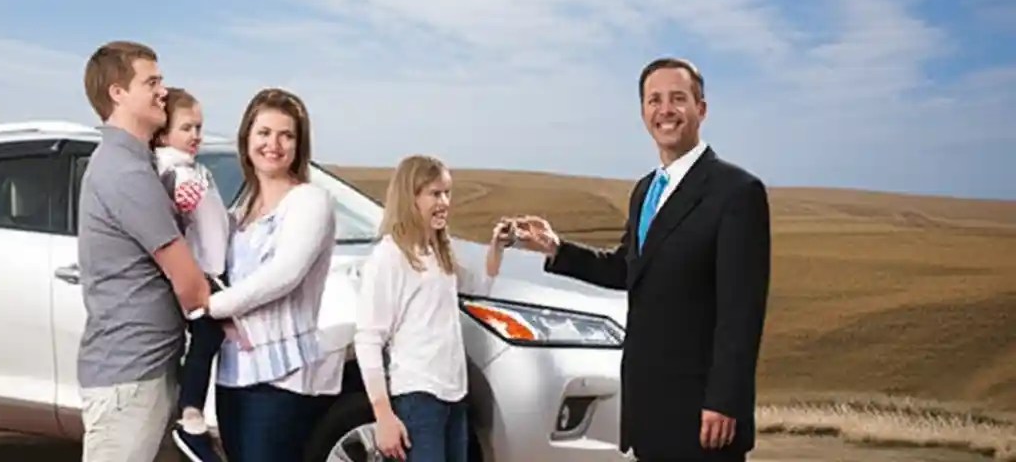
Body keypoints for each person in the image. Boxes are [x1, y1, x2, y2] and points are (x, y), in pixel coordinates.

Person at [511, 57, 771, 462]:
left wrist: (724, 401)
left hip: (703, 412)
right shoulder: (645, 190)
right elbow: (629, 270)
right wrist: (556, 248)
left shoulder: (736, 192)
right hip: (648, 407)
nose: (665, 110)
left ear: (701, 109)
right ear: (643, 112)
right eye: (654, 100)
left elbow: (742, 312)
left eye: (677, 99)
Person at [76, 41, 213, 462]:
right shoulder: (125, 172)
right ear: (117, 93)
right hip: (130, 378)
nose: (162, 91)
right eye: (151, 81)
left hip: (145, 370)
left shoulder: (140, 164)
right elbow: (188, 282)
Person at [198, 87, 344, 462]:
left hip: (282, 376)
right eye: (264, 133)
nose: (273, 144)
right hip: (233, 372)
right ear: (247, 137)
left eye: (286, 135)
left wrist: (212, 304)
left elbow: (285, 274)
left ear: (299, 144)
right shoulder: (242, 208)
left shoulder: (310, 201)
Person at [353, 155, 509, 462]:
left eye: (447, 193)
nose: (445, 202)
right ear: (410, 198)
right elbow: (368, 338)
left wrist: (496, 248)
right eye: (435, 194)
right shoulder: (389, 257)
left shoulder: (438, 252)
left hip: (454, 396)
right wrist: (384, 416)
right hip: (417, 399)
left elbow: (481, 287)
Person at [150, 87, 233, 462]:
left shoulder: (190, 168)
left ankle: (192, 413)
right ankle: (191, 417)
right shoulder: (174, 170)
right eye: (186, 127)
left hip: (211, 269)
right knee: (206, 338)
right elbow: (179, 210)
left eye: (199, 127)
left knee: (208, 339)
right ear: (164, 134)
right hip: (199, 274)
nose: (196, 135)